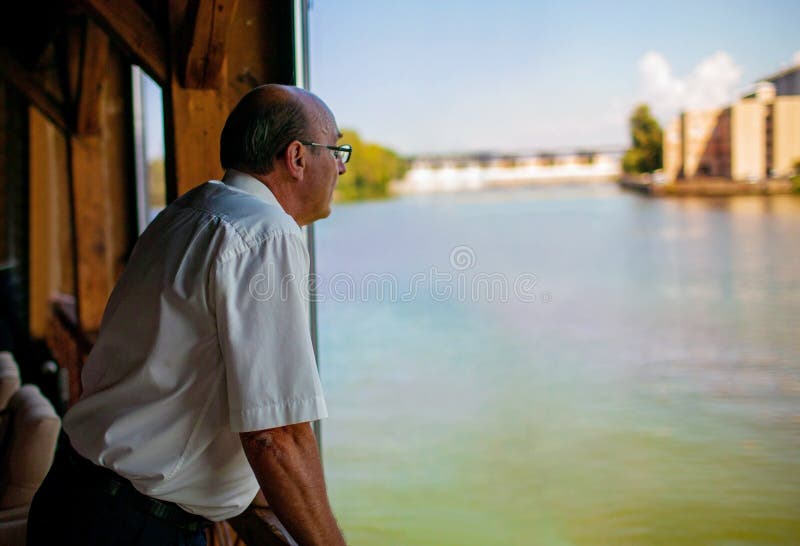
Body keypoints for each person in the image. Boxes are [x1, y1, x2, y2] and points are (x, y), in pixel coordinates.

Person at [27, 84, 351, 546]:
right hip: (134, 528)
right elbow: (275, 435)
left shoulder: (186, 211)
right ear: (296, 158)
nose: (341, 167)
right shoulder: (265, 234)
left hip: (75, 495)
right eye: (336, 151)